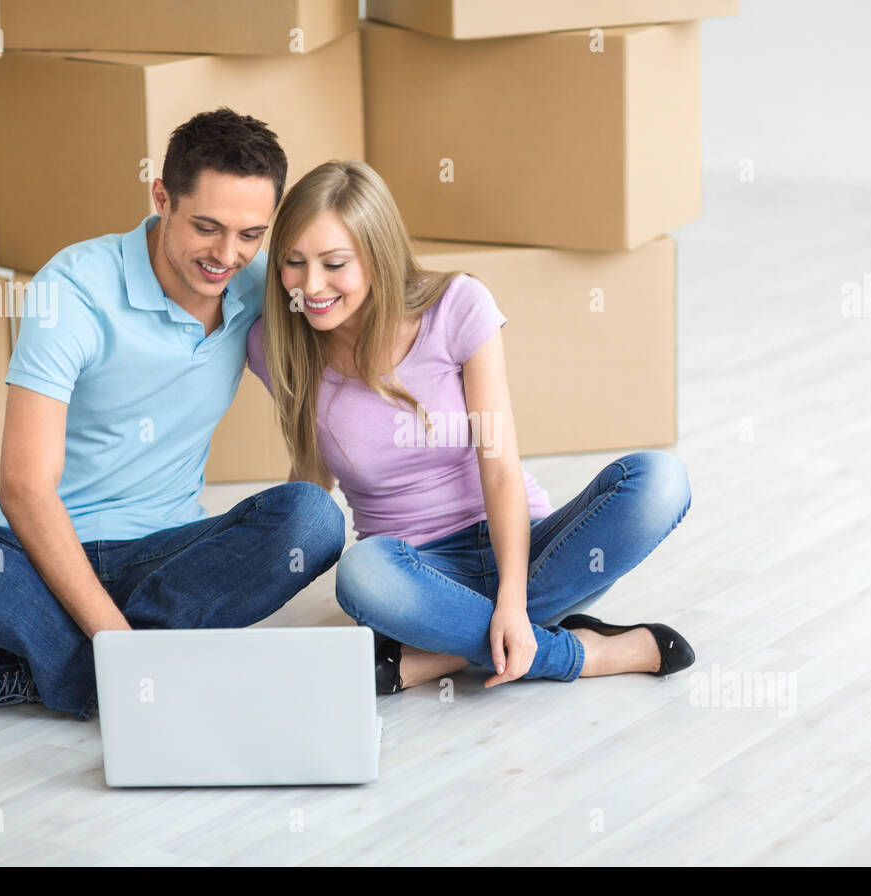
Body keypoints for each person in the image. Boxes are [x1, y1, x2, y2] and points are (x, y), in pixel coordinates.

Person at [0, 109, 345, 719]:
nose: (226, 255)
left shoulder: (257, 287)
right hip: (39, 557)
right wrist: (120, 650)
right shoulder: (73, 289)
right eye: (206, 226)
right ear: (161, 197)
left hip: (169, 558)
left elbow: (333, 386)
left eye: (251, 234)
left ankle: (44, 662)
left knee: (313, 519)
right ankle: (129, 667)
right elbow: (24, 490)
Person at [245, 159, 696, 695]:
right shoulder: (278, 345)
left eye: (334, 263)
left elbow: (501, 470)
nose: (310, 285)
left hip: (527, 552)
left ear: (377, 257)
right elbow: (311, 475)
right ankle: (584, 652)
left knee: (660, 480)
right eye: (293, 262)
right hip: (416, 574)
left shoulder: (457, 307)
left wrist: (510, 600)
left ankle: (442, 652)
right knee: (361, 573)